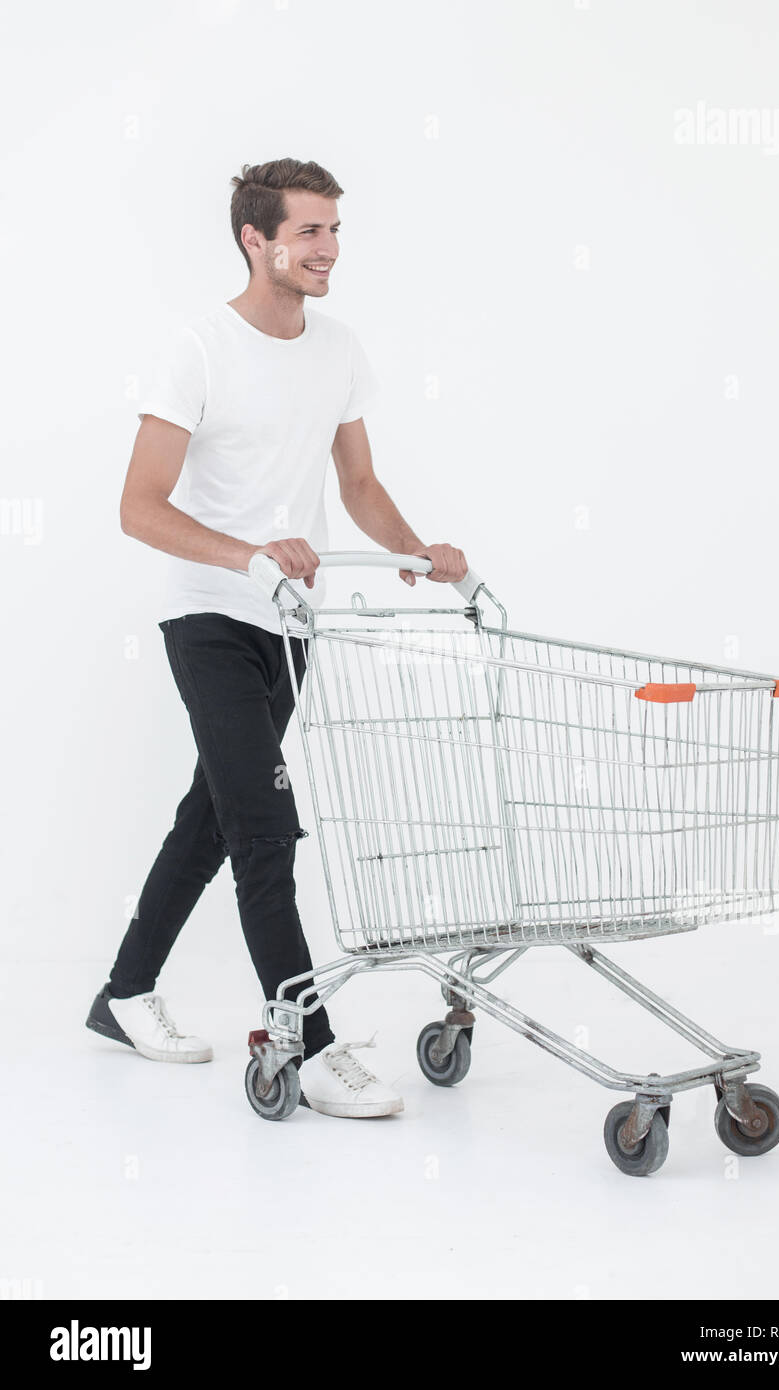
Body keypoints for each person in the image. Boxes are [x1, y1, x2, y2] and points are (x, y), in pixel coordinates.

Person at [86, 157, 469, 1119]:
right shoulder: (199, 348)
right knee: (264, 830)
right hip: (210, 615)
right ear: (255, 239)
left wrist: (419, 551)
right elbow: (138, 507)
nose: (329, 249)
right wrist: (247, 552)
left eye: (335, 230)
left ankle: (123, 995)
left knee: (213, 816)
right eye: (309, 232)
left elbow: (360, 486)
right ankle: (309, 1038)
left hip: (291, 626)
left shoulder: (337, 348)